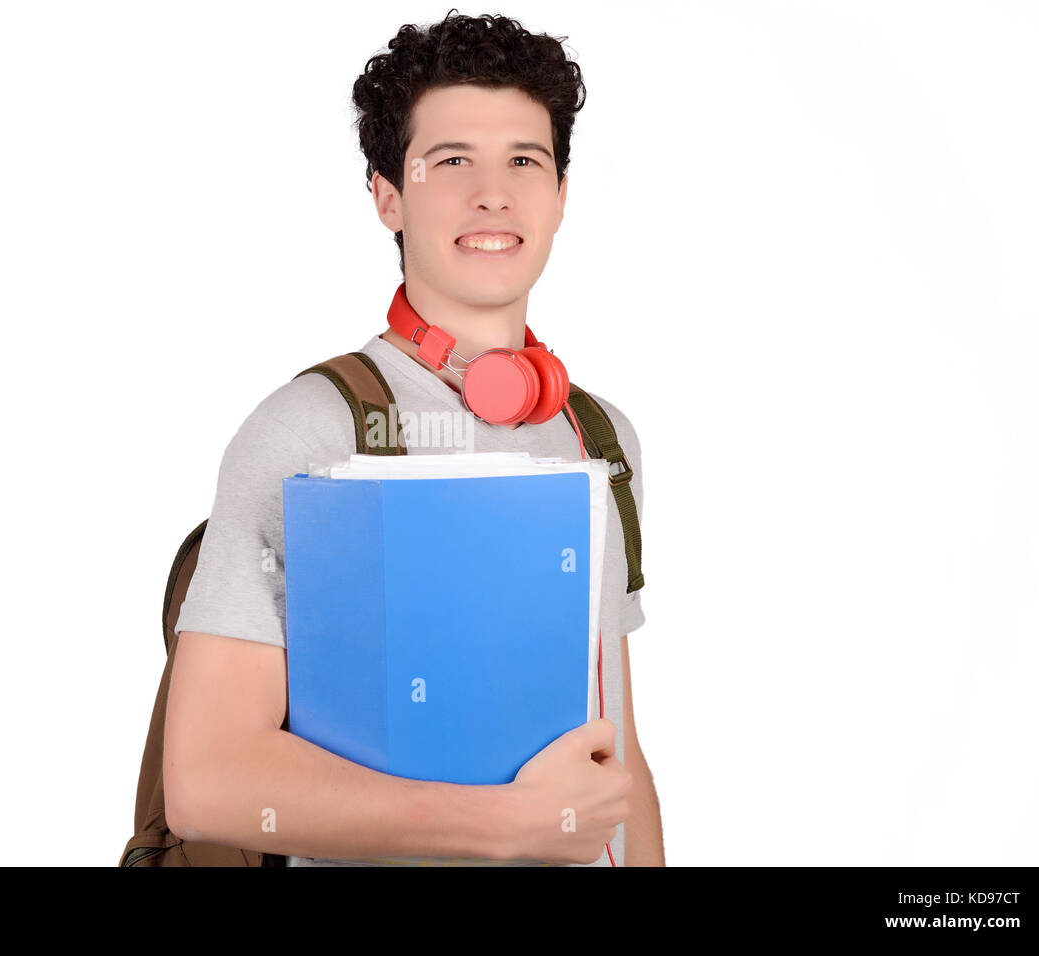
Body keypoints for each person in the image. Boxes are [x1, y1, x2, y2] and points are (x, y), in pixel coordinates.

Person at [163, 10, 665, 867]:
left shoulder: (601, 439)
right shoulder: (310, 429)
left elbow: (615, 749)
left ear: (560, 196)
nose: (493, 193)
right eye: (453, 161)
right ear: (388, 195)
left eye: (524, 161)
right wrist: (503, 825)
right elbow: (206, 782)